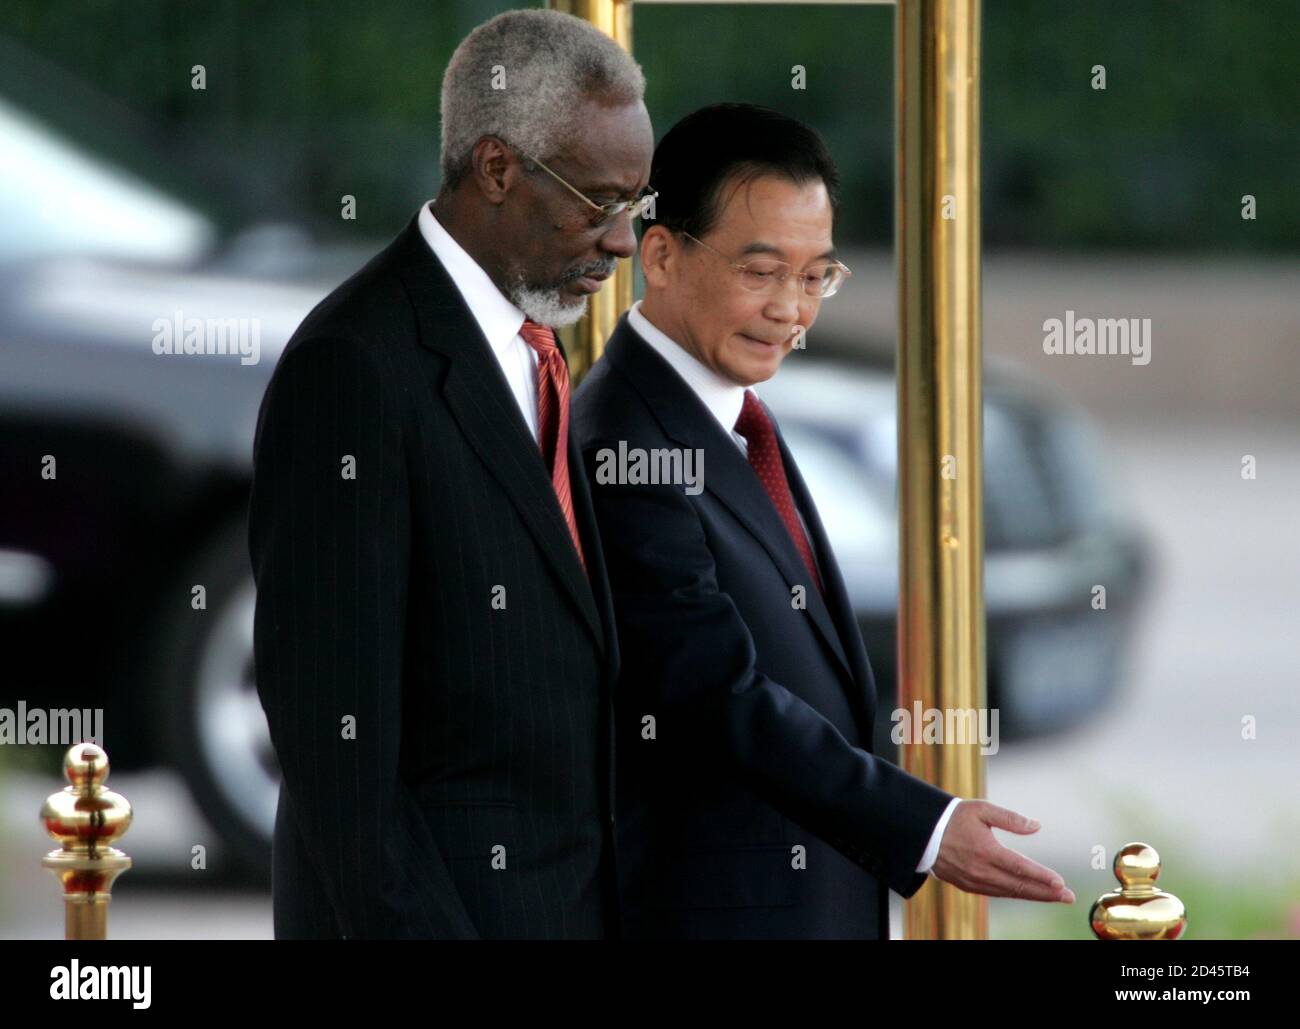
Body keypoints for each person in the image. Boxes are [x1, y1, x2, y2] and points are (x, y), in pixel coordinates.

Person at [572, 103, 1074, 938]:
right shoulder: (625, 436)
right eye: (761, 272)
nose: (791, 311)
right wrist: (927, 825)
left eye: (815, 278)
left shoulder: (732, 416)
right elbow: (708, 694)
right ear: (659, 254)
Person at [248, 9, 653, 939]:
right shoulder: (353, 369)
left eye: (638, 203)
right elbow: (338, 761)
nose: (624, 241)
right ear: (498, 168)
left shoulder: (535, 345)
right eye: (598, 202)